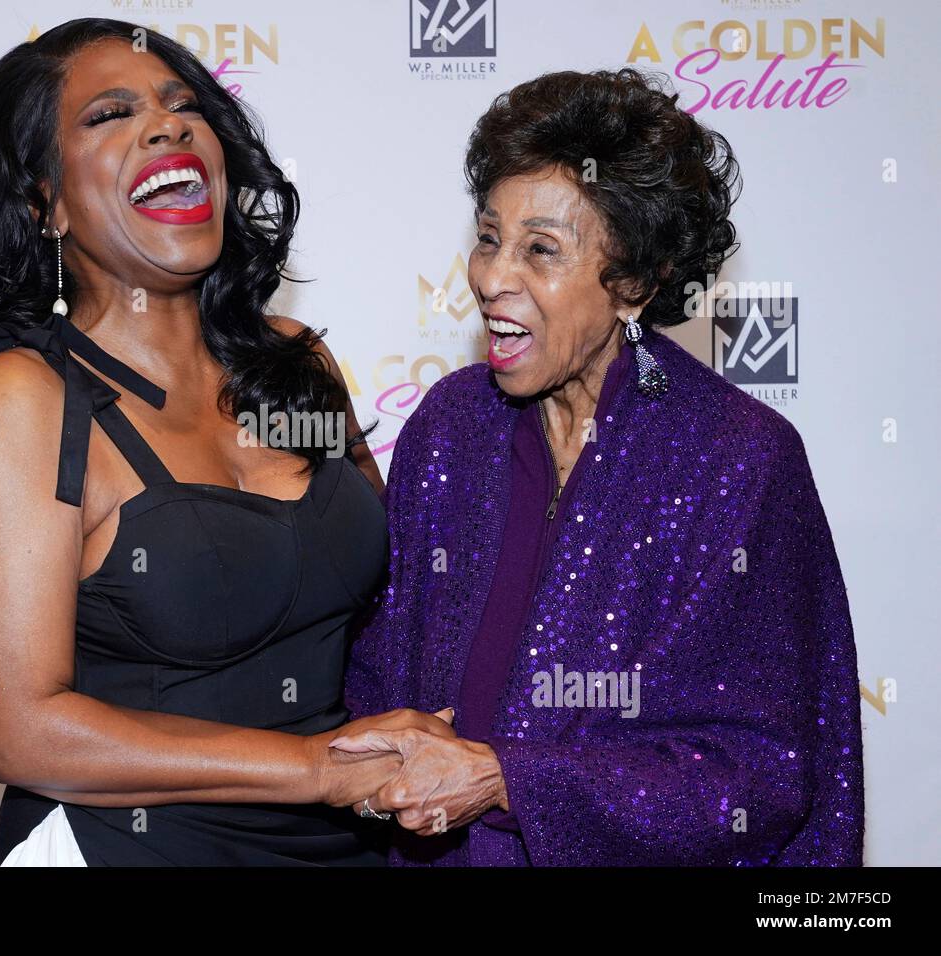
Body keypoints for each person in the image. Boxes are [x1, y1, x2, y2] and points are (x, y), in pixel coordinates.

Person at [0, 17, 451, 866]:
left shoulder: (296, 362)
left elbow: (392, 615)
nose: (167, 124)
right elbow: (19, 727)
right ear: (45, 202)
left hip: (349, 845)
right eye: (108, 115)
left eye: (184, 105)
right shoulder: (26, 395)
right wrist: (310, 767)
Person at [337, 68, 865, 866]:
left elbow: (761, 777)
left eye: (540, 249)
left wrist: (508, 779)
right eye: (488, 238)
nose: (490, 277)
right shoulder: (450, 426)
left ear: (634, 284)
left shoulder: (739, 458)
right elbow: (380, 672)